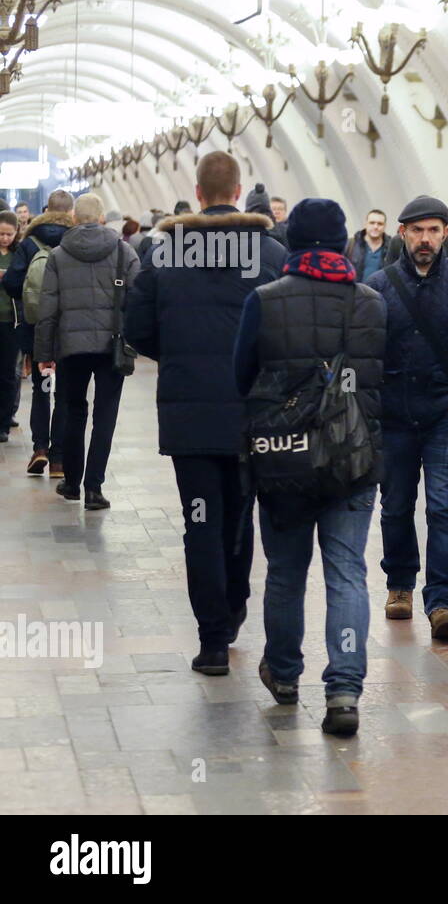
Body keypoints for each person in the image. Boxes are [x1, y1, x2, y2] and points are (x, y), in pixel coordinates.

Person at [127, 150, 286, 677]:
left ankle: (212, 640)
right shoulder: (269, 253)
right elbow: (283, 329)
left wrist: (176, 356)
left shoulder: (162, 253)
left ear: (198, 194)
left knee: (201, 522)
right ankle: (236, 603)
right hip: (251, 412)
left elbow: (137, 329)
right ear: (238, 192)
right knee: (240, 516)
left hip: (188, 415)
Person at [233, 198, 387, 737]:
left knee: (285, 572)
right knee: (347, 573)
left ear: (292, 241)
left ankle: (285, 674)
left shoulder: (265, 300)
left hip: (284, 460)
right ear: (343, 240)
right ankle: (343, 691)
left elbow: (241, 375)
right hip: (354, 458)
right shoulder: (371, 302)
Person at [366, 196, 448, 639]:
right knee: (396, 507)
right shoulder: (380, 286)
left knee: (444, 508)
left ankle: (442, 600)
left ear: (445, 233)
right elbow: (367, 355)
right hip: (395, 419)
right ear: (402, 233)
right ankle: (399, 585)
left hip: (447, 417)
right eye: (417, 230)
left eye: (433, 230)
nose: (425, 239)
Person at [33, 193, 141, 510]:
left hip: (70, 348)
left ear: (76, 219)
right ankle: (94, 488)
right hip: (113, 347)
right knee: (105, 416)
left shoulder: (58, 255)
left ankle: (71, 482)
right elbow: (137, 303)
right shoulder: (125, 252)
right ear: (103, 219)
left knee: (73, 411)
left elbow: (48, 309)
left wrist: (43, 353)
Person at [4, 192, 71, 479]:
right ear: (70, 212)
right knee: (66, 393)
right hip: (68, 329)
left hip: (37, 327)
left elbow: (12, 282)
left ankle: (40, 448)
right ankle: (58, 460)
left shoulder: (29, 242)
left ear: (45, 211)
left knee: (42, 389)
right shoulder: (74, 240)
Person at [0, 211, 21, 440]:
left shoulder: (19, 254)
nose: (4, 238)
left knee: (7, 374)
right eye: (1, 234)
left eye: (9, 234)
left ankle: (3, 422)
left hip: (11, 320)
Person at [344, 209, 391, 282]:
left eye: (380, 224)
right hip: (353, 292)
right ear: (365, 224)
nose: (376, 227)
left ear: (385, 226)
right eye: (372, 223)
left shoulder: (391, 248)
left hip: (379, 293)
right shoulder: (350, 244)